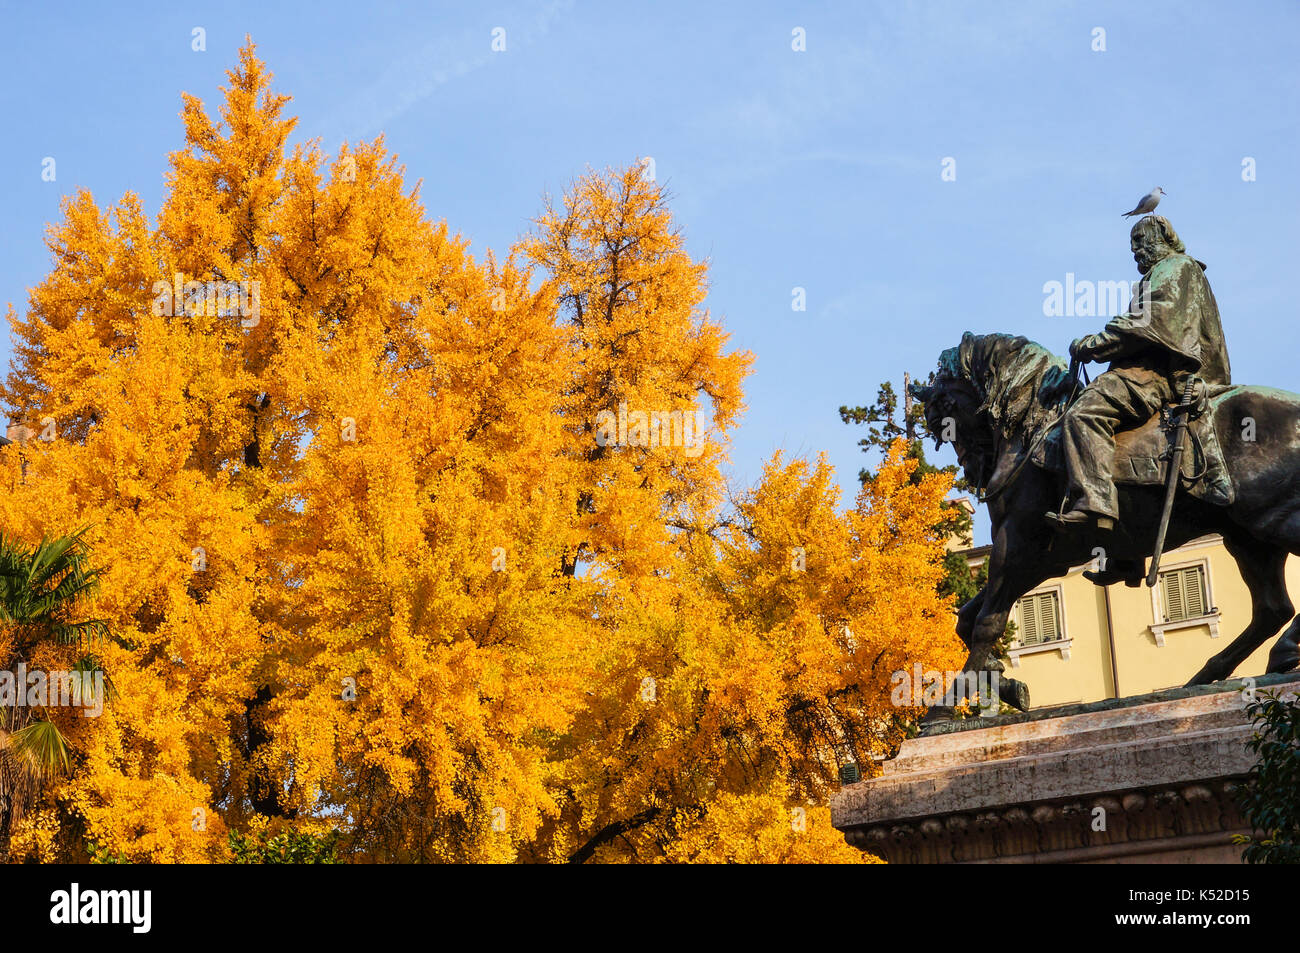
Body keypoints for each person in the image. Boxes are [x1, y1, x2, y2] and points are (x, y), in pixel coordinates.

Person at [1046, 216, 1230, 547]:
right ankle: (1124, 555)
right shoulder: (1171, 272)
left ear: (1164, 239)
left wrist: (1095, 344)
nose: (1136, 251)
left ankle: (1095, 504)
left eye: (1141, 242)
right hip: (1151, 373)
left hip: (1151, 377)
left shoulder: (1175, 268)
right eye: (1133, 245)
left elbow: (1147, 323)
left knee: (1082, 415)